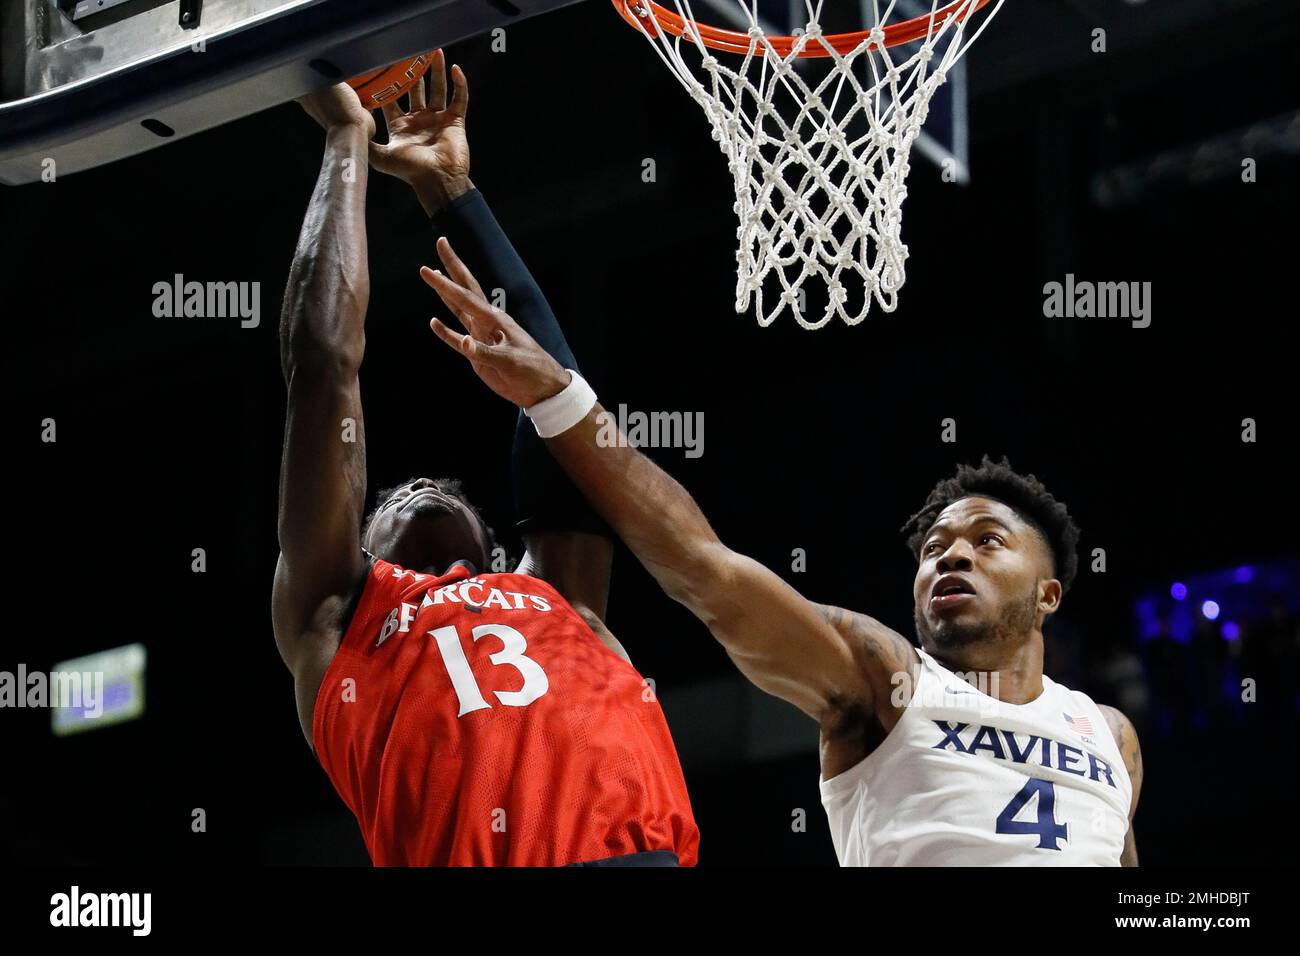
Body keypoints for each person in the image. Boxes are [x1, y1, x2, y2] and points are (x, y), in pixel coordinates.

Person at [420, 252, 1145, 866]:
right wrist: (558, 400)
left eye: (986, 541)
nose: (951, 557)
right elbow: (705, 567)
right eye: (933, 549)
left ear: (1048, 594)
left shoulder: (1109, 734)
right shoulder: (883, 676)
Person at [272, 52, 699, 866]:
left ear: (501, 554)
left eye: (444, 487)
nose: (426, 485)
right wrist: (345, 139)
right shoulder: (337, 614)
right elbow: (323, 365)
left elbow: (556, 390)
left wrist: (448, 190)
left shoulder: (561, 595)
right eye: (394, 494)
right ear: (360, 550)